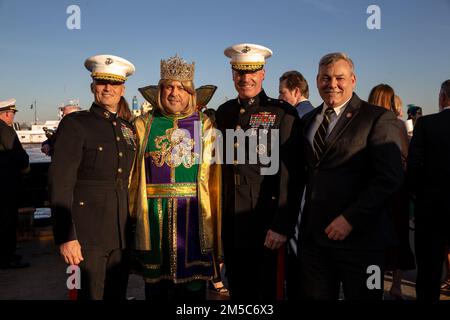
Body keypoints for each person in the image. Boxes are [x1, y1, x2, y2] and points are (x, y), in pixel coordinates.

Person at [298, 52, 403, 300]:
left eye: (339, 78)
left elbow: (389, 178)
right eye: (325, 78)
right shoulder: (308, 120)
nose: (332, 84)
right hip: (315, 241)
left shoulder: (377, 118)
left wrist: (350, 219)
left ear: (353, 80)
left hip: (361, 242)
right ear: (316, 80)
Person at [130, 55, 222, 300]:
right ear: (160, 90)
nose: (174, 92)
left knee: (192, 290)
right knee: (156, 289)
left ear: (191, 93)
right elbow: (131, 176)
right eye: (169, 86)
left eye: (181, 87)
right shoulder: (142, 124)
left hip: (193, 217)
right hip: (153, 218)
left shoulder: (205, 125)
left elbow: (214, 180)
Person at [215, 43, 302, 300]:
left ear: (263, 73)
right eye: (240, 72)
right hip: (232, 222)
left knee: (266, 292)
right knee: (239, 290)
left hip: (265, 224)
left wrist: (282, 225)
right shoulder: (224, 112)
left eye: (252, 72)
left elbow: (292, 175)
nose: (246, 78)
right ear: (232, 75)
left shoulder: (282, 113)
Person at [49, 54, 136, 300]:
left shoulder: (127, 129)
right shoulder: (76, 125)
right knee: (87, 294)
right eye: (102, 82)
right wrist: (67, 237)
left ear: (122, 88)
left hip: (119, 232)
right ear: (92, 87)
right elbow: (60, 182)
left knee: (116, 294)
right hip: (87, 234)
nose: (108, 88)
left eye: (114, 83)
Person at [367, 84, 415, 300]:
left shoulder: (365, 122)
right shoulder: (396, 124)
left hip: (371, 188)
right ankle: (395, 286)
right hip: (396, 190)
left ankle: (372, 287)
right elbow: (406, 154)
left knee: (373, 245)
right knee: (399, 239)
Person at [407, 79, 450, 300]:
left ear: (442, 98)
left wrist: (415, 197)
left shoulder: (427, 124)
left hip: (432, 209)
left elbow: (414, 168)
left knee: (429, 272)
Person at [0, 99, 30, 269]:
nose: (12, 117)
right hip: (6, 184)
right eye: (12, 114)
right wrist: (26, 167)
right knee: (7, 220)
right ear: (6, 114)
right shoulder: (5, 130)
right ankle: (7, 256)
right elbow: (19, 156)